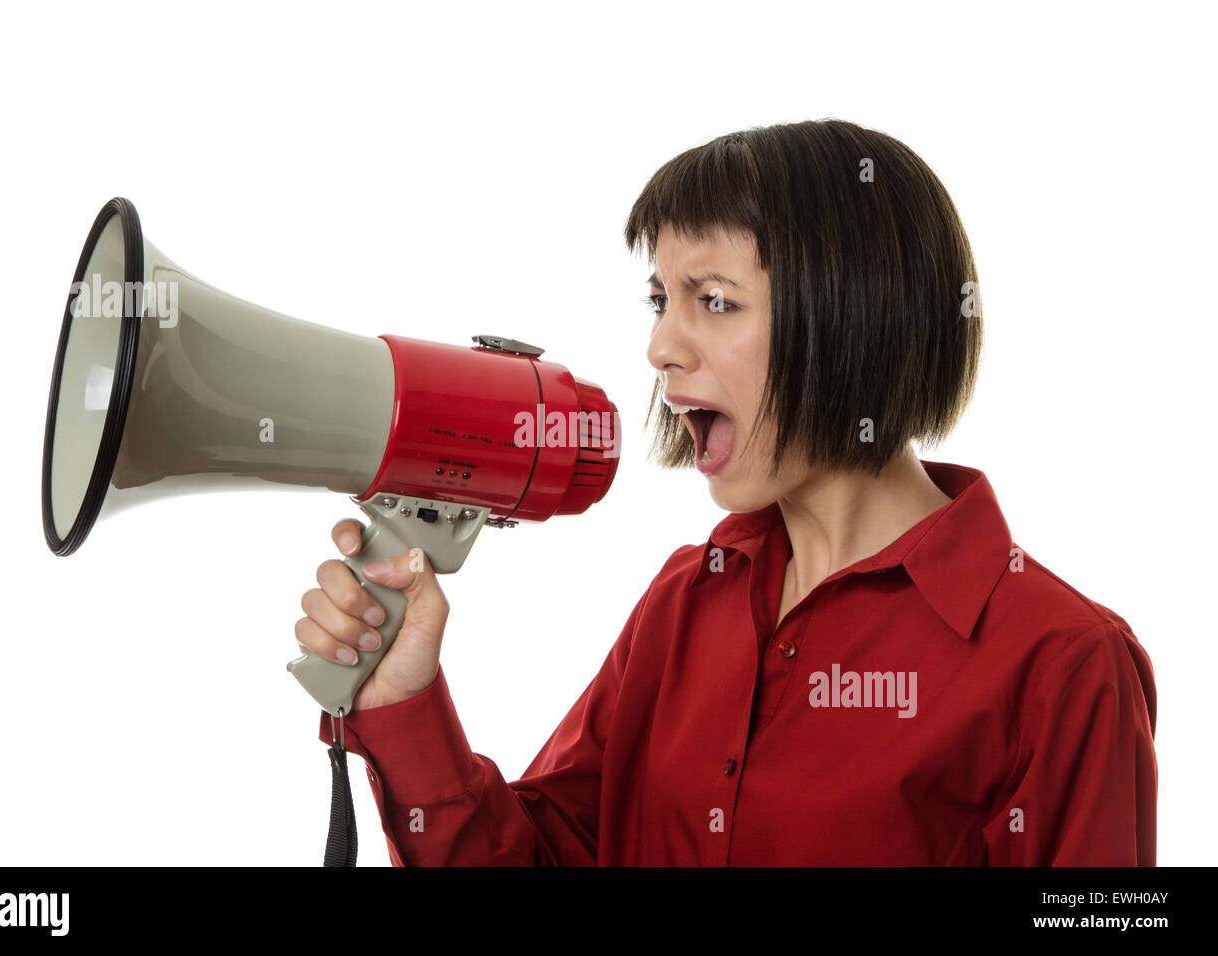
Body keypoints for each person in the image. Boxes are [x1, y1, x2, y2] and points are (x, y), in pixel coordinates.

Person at [293, 119, 1158, 865]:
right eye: (660, 299)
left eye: (714, 301)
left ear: (853, 312)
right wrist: (402, 703)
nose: (661, 346)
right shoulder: (687, 603)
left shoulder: (1063, 666)